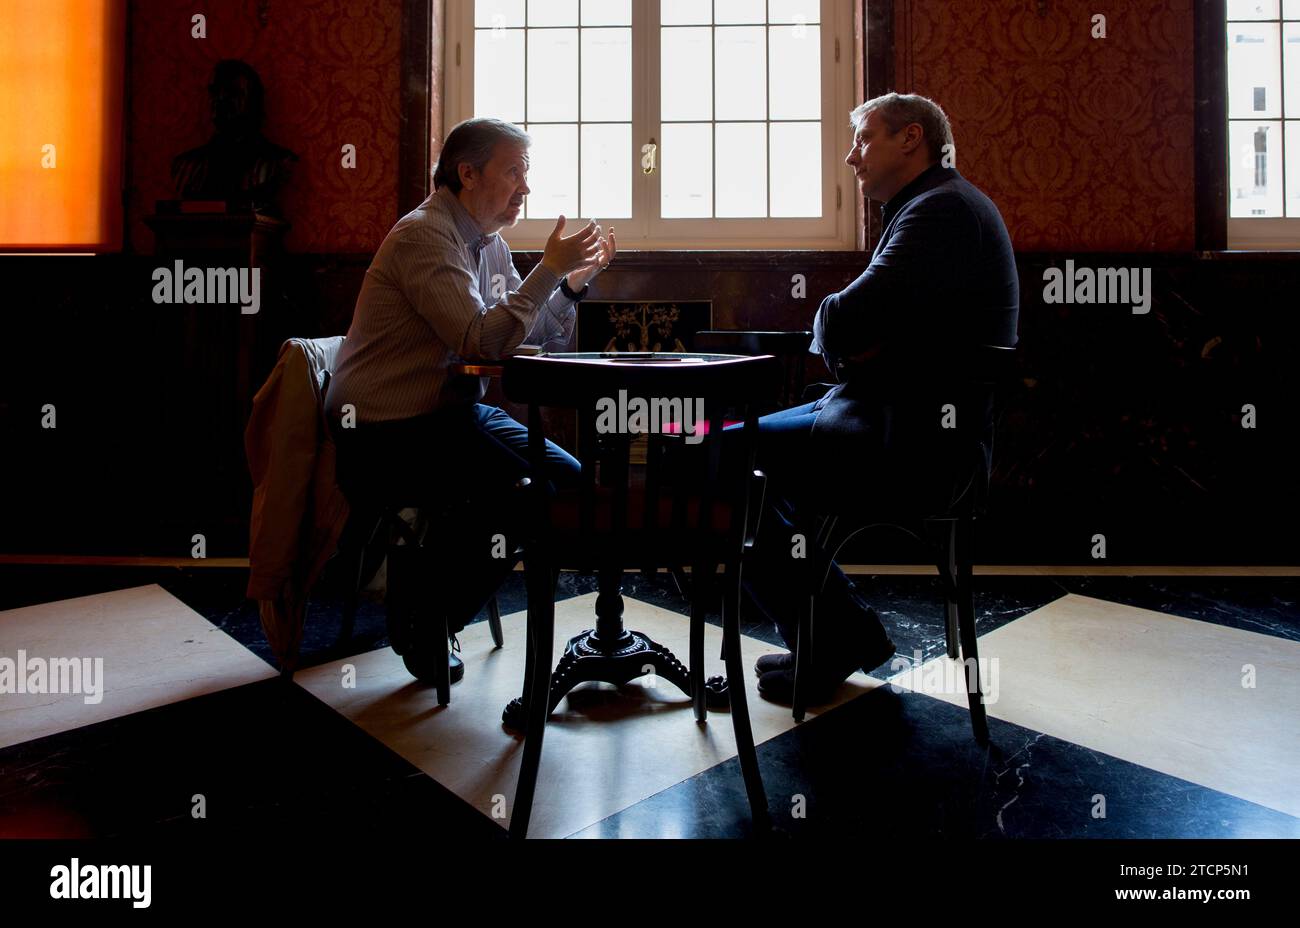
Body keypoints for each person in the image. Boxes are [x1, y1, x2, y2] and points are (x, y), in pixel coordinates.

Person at [741, 93, 1020, 704]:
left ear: (911, 138)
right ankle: (833, 633)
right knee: (725, 446)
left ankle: (834, 636)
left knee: (708, 456)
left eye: (863, 140)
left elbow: (844, 319)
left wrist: (846, 339)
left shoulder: (938, 212)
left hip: (909, 440)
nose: (851, 157)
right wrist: (855, 343)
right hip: (897, 421)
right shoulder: (938, 205)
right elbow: (862, 331)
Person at [325, 117, 616, 684]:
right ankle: (423, 623)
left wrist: (571, 283)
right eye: (514, 173)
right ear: (468, 173)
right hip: (386, 431)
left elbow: (526, 335)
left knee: (567, 481)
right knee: (531, 495)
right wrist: (549, 269)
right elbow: (481, 340)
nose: (525, 189)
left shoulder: (489, 243)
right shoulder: (424, 237)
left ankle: (425, 606)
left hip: (447, 415)